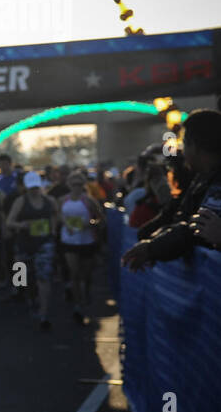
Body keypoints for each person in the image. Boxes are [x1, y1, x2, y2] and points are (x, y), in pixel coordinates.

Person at [123, 110, 221, 268]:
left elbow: (196, 230)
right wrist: (151, 241)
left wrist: (151, 248)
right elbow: (179, 216)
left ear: (194, 146)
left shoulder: (215, 183)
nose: (183, 152)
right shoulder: (201, 178)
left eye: (184, 144)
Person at [4, 172, 58, 330]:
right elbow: (9, 222)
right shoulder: (20, 202)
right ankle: (24, 296)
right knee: (20, 276)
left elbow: (56, 214)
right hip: (24, 243)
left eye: (36, 187)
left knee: (44, 277)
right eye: (31, 188)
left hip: (44, 243)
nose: (34, 190)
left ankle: (43, 313)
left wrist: (53, 229)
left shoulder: (49, 201)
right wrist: (22, 225)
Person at [56, 168, 103, 325]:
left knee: (86, 274)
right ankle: (78, 305)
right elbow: (57, 216)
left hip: (86, 241)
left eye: (79, 184)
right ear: (69, 185)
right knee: (74, 273)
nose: (76, 186)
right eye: (73, 184)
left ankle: (86, 292)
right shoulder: (63, 200)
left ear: (83, 185)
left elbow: (101, 219)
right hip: (69, 241)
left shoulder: (89, 201)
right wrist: (65, 224)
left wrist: (90, 224)